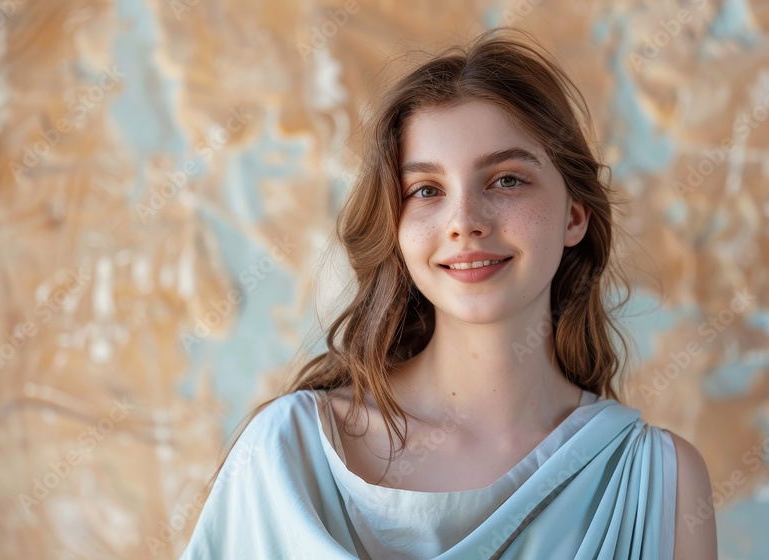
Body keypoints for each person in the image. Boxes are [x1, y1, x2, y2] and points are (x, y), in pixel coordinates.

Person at [179, 26, 717, 559]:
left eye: (506, 180)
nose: (464, 222)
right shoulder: (286, 457)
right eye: (427, 190)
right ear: (395, 227)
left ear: (574, 216)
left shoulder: (662, 483)